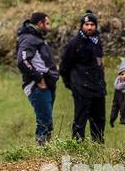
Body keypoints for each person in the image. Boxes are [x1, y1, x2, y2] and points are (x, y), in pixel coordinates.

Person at [59, 10, 107, 143]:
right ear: (81, 26)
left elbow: (99, 63)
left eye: (92, 24)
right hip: (82, 89)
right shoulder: (75, 43)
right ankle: (77, 149)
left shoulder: (97, 41)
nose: (90, 27)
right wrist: (72, 85)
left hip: (98, 88)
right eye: (87, 24)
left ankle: (98, 149)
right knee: (80, 120)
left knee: (99, 120)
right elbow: (64, 67)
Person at [16, 12, 59, 147]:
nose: (49, 27)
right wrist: (39, 79)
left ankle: (46, 151)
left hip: (47, 85)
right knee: (44, 121)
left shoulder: (37, 38)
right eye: (47, 23)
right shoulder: (29, 39)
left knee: (47, 121)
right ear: (40, 24)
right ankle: (40, 153)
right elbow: (22, 61)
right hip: (37, 86)